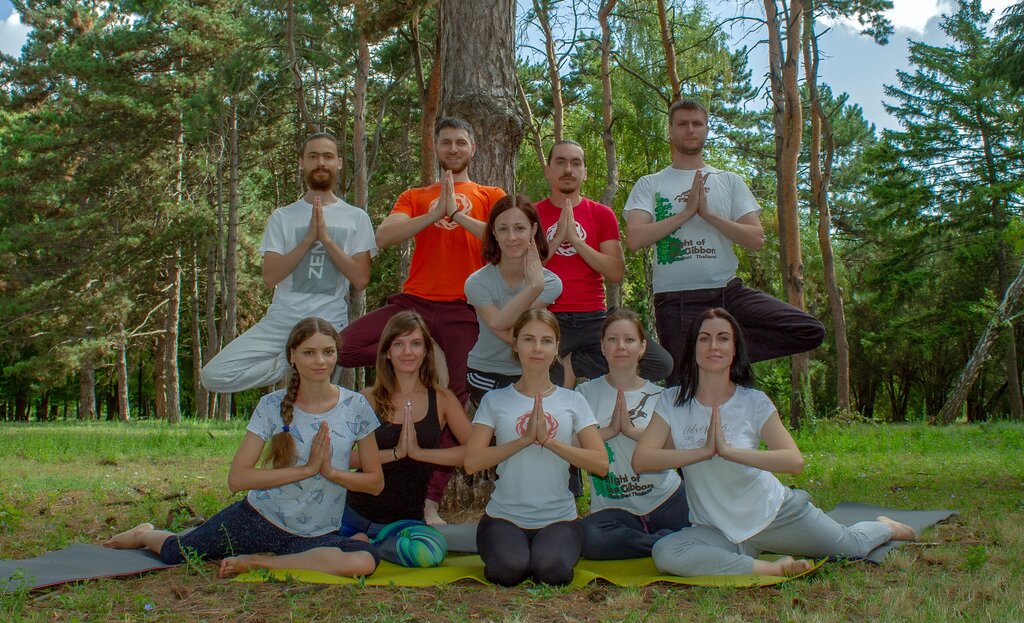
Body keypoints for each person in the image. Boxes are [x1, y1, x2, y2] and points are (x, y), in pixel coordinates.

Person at [632, 308, 916, 577]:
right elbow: (642, 460)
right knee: (666, 553)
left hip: (775, 515)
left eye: (723, 338)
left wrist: (730, 452)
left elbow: (794, 461)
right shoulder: (672, 401)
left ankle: (884, 526)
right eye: (704, 338)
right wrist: (703, 452)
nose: (713, 346)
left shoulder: (753, 402)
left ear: (734, 349)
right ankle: (767, 568)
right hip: (717, 528)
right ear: (694, 348)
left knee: (851, 547)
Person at [105, 318, 385, 578]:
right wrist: (307, 470)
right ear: (292, 356)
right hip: (259, 519)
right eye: (309, 352)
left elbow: (375, 483)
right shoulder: (271, 405)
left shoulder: (356, 406)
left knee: (364, 561)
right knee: (176, 552)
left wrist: (330, 473)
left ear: (337, 354)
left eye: (328, 351)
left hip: (317, 533)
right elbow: (238, 479)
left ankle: (258, 562)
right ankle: (144, 533)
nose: (320, 361)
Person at [338, 117, 504, 524]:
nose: (453, 149)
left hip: (462, 307)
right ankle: (398, 385)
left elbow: (505, 237)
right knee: (343, 347)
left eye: (460, 142)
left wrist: (458, 215)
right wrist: (434, 214)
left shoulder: (491, 193)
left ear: (473, 148)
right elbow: (385, 235)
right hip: (413, 305)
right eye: (446, 142)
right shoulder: (415, 195)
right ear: (435, 147)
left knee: (454, 399)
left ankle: (428, 499)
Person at [623, 100, 824, 385]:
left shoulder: (728, 181)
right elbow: (635, 238)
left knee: (808, 329)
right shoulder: (651, 183)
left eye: (697, 124)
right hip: (676, 299)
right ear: (671, 130)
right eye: (682, 124)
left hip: (728, 293)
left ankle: (727, 353)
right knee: (683, 389)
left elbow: (755, 239)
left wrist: (708, 214)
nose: (690, 130)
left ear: (706, 129)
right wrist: (685, 214)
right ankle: (709, 362)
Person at [201, 132, 376, 393]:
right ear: (301, 163)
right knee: (213, 376)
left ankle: (306, 358)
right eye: (313, 156)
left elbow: (361, 278)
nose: (320, 162)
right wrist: (307, 240)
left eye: (328, 156)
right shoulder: (283, 217)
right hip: (281, 322)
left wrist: (326, 239)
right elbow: (270, 277)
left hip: (327, 325)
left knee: (316, 409)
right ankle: (292, 361)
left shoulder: (356, 217)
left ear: (338, 163)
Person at [464, 309, 609, 586]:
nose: (537, 348)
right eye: (529, 339)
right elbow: (472, 462)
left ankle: (543, 552)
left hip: (559, 520)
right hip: (503, 518)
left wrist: (550, 442)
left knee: (552, 572)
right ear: (516, 344)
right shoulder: (495, 400)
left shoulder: (573, 401)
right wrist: (522, 441)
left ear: (556, 347)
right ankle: (514, 551)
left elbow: (600, 463)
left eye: (546, 341)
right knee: (507, 571)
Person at [536, 140, 673, 387]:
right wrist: (557, 240)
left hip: (594, 319)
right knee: (545, 385)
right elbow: (523, 270)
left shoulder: (601, 213)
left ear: (584, 172)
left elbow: (616, 272)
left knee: (659, 363)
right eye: (560, 162)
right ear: (547, 170)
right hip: (549, 318)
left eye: (575, 163)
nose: (568, 169)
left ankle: (575, 363)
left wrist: (577, 242)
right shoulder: (532, 214)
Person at [341, 311, 472, 566]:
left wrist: (420, 453)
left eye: (415, 343)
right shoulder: (367, 398)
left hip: (404, 520)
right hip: (354, 512)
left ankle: (367, 546)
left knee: (429, 554)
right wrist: (395, 454)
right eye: (398, 344)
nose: (407, 352)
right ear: (387, 352)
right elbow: (342, 456)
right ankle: (356, 543)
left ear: (425, 351)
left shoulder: (442, 399)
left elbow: (475, 452)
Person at [576, 309, 690, 560]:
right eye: (613, 339)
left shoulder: (663, 397)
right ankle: (663, 543)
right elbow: (572, 446)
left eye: (629, 340)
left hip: (666, 499)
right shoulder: (583, 394)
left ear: (642, 347)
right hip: (613, 509)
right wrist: (609, 431)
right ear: (602, 346)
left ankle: (658, 542)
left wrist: (632, 431)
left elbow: (677, 449)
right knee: (588, 538)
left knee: (708, 526)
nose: (621, 347)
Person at [465, 194, 562, 407]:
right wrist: (533, 287)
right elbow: (501, 326)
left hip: (531, 371)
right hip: (487, 371)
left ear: (533, 230)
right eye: (503, 229)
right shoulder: (477, 282)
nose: (511, 237)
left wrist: (537, 283)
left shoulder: (552, 283)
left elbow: (517, 333)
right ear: (493, 232)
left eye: (519, 228)